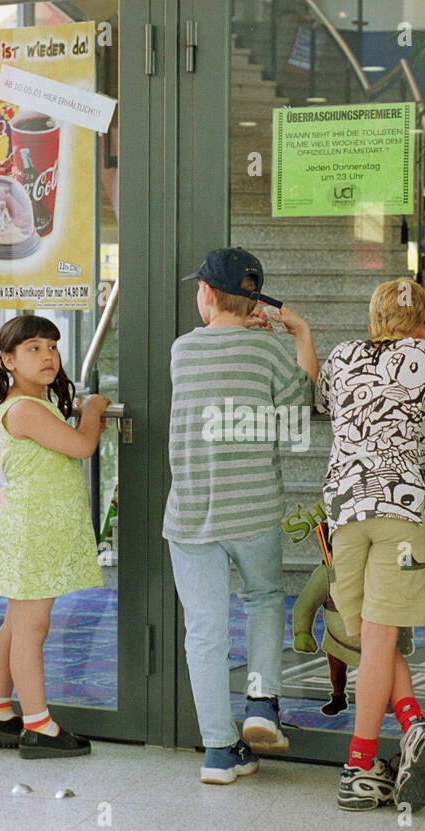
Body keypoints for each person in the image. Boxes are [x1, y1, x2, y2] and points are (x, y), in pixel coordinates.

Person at [163, 247, 317, 784]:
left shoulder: (182, 350)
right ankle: (261, 703)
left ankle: (219, 752)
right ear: (256, 300)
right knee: (264, 600)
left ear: (206, 294)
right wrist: (297, 334)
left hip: (190, 514)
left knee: (204, 630)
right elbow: (301, 407)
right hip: (251, 506)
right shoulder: (268, 350)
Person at [317, 277, 425, 812]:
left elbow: (325, 398)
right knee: (380, 638)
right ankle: (362, 763)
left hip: (345, 509)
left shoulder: (342, 353)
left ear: (373, 320)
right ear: (423, 324)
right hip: (402, 510)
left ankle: (409, 727)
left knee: (369, 637)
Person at [0, 314, 109, 759]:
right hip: (32, 530)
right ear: (8, 360)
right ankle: (38, 725)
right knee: (32, 629)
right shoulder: (25, 408)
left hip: (32, 529)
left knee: (16, 625)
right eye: (33, 348)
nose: (48, 355)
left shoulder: (36, 403)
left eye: (52, 346)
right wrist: (92, 412)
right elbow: (82, 446)